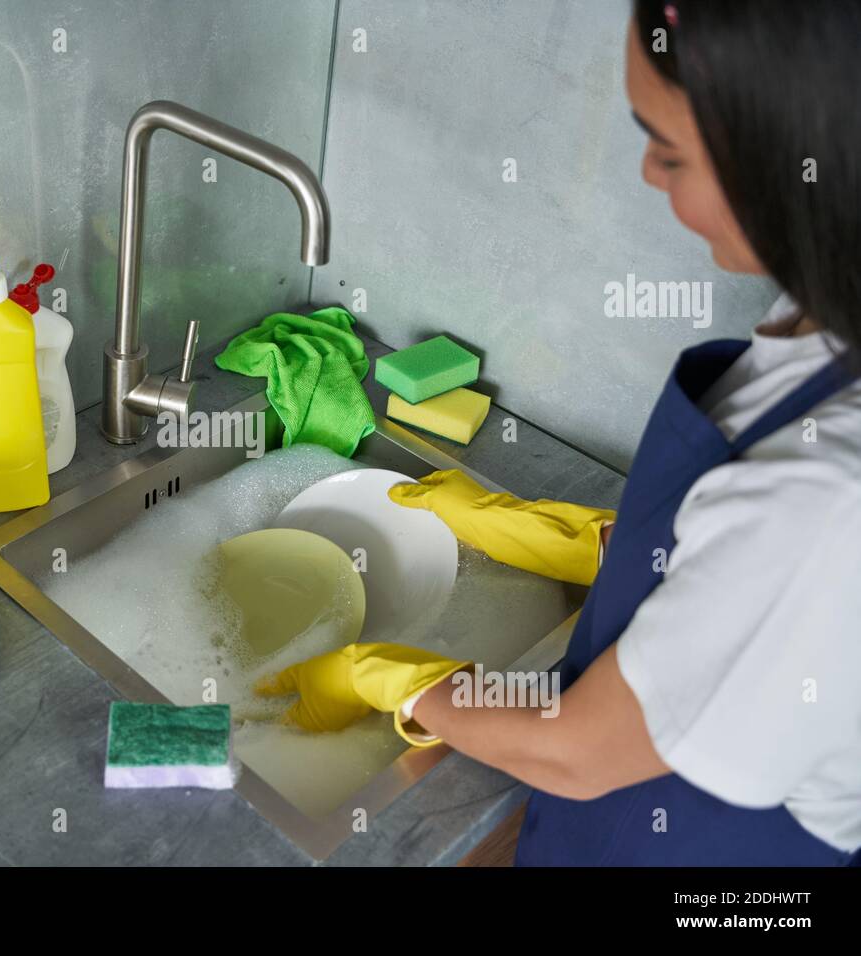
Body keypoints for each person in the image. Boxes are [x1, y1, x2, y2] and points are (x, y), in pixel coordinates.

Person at [255, 0, 861, 865]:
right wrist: (567, 539)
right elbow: (738, 573)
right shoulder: (822, 318)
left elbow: (572, 749)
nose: (651, 175)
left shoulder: (831, 501)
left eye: (670, 149)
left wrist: (390, 680)